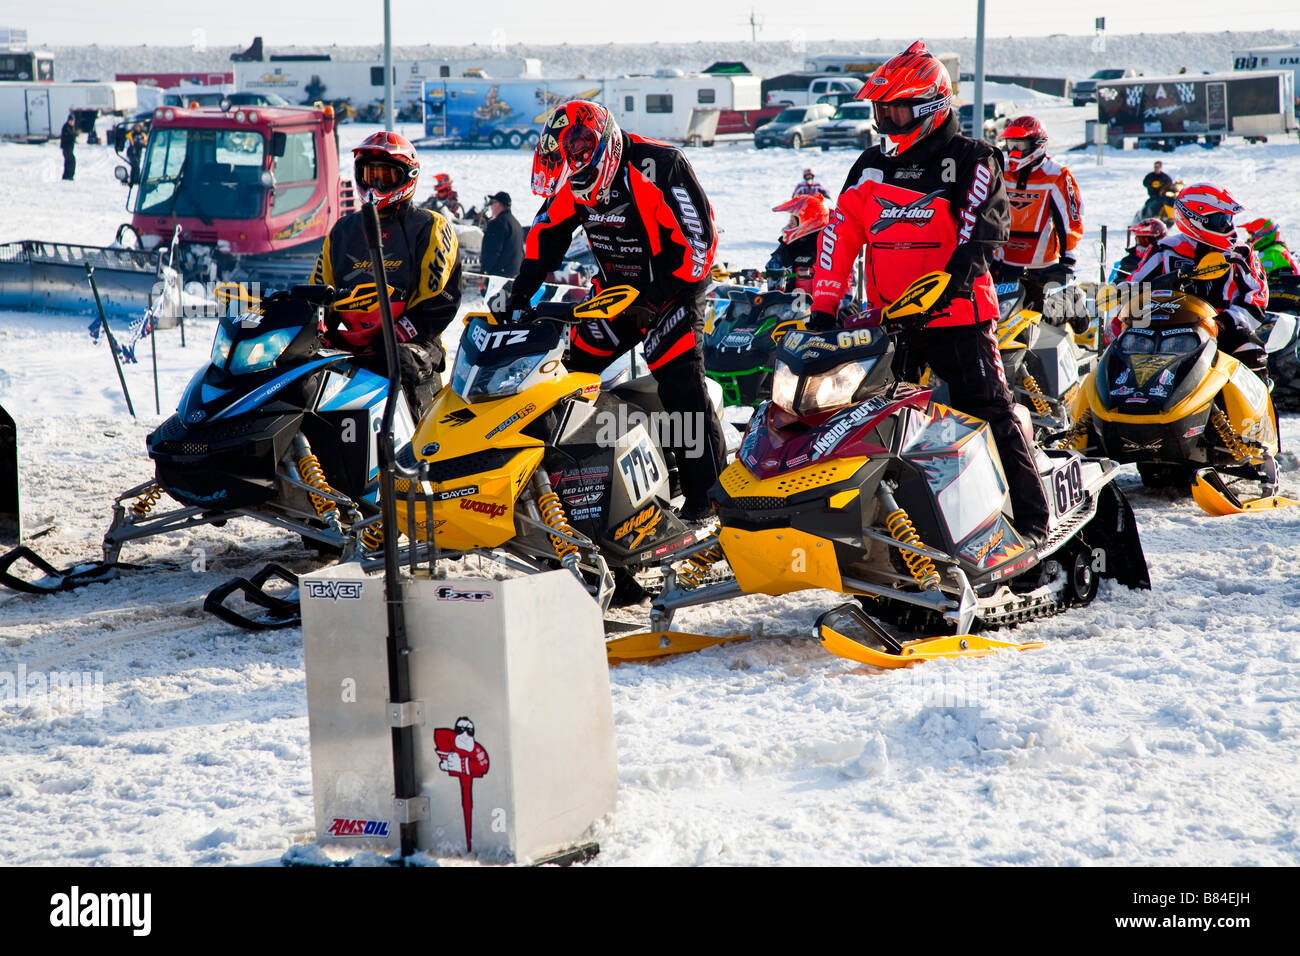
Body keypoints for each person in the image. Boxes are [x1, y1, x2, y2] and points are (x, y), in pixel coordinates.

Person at [808, 40, 1050, 545]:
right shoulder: (871, 164)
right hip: (887, 326)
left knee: (989, 413)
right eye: (881, 111)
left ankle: (1032, 525)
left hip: (959, 319)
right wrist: (824, 307)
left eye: (897, 110)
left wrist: (944, 292)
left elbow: (981, 232)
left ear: (931, 106)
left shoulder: (973, 157)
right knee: (869, 426)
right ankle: (885, 526)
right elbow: (840, 235)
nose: (887, 122)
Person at [505, 99, 726, 523]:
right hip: (614, 294)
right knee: (567, 378)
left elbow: (700, 245)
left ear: (602, 142)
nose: (580, 180)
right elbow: (544, 235)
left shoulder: (660, 165)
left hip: (673, 290)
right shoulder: (574, 180)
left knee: (682, 386)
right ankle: (570, 486)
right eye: (573, 171)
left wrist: (656, 299)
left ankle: (709, 503)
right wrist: (520, 295)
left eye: (584, 167)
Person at [308, 131, 462, 415]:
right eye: (369, 175)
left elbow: (438, 301)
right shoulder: (342, 231)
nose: (376, 183)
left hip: (414, 343)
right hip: (354, 345)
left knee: (399, 361)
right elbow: (319, 294)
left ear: (408, 176)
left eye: (386, 176)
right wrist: (314, 331)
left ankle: (413, 446)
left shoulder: (430, 226)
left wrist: (393, 338)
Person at [1125, 183, 1271, 384]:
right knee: (1123, 348)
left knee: (1251, 350)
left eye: (1229, 219)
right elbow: (1131, 289)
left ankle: (1259, 413)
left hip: (1224, 328)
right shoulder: (1164, 249)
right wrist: (1163, 284)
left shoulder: (1241, 253)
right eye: (1221, 219)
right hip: (1168, 327)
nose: (1227, 225)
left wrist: (1227, 321)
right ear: (1195, 219)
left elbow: (1258, 296)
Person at [993, 115, 1084, 312]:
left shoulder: (1057, 174)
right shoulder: (1001, 169)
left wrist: (1068, 261)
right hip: (1004, 262)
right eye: (1011, 144)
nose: (1015, 150)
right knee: (1000, 318)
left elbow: (1071, 219)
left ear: (1038, 144)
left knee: (1050, 316)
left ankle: (1076, 309)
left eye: (1021, 144)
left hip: (1044, 266)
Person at [766, 193, 828, 294]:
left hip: (815, 305)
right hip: (786, 304)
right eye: (789, 221)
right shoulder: (787, 245)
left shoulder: (826, 247)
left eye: (793, 222)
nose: (789, 226)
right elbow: (772, 266)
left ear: (808, 221)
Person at [478, 190, 525, 277]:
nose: (491, 206)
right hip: (514, 276)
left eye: (492, 203)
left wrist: (484, 273)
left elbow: (492, 251)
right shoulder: (517, 225)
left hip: (497, 278)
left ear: (498, 204)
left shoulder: (498, 223)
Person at [1110, 218, 1167, 282]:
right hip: (1137, 290)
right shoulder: (1129, 262)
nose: (1140, 246)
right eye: (1139, 240)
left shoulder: (1168, 258)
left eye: (1145, 241)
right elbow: (1119, 285)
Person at [60, 114, 77, 181]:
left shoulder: (71, 127)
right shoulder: (66, 127)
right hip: (66, 148)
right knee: (71, 161)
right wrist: (73, 136)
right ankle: (68, 176)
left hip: (69, 148)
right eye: (71, 120)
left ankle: (67, 176)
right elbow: (66, 137)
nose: (72, 122)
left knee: (69, 162)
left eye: (73, 121)